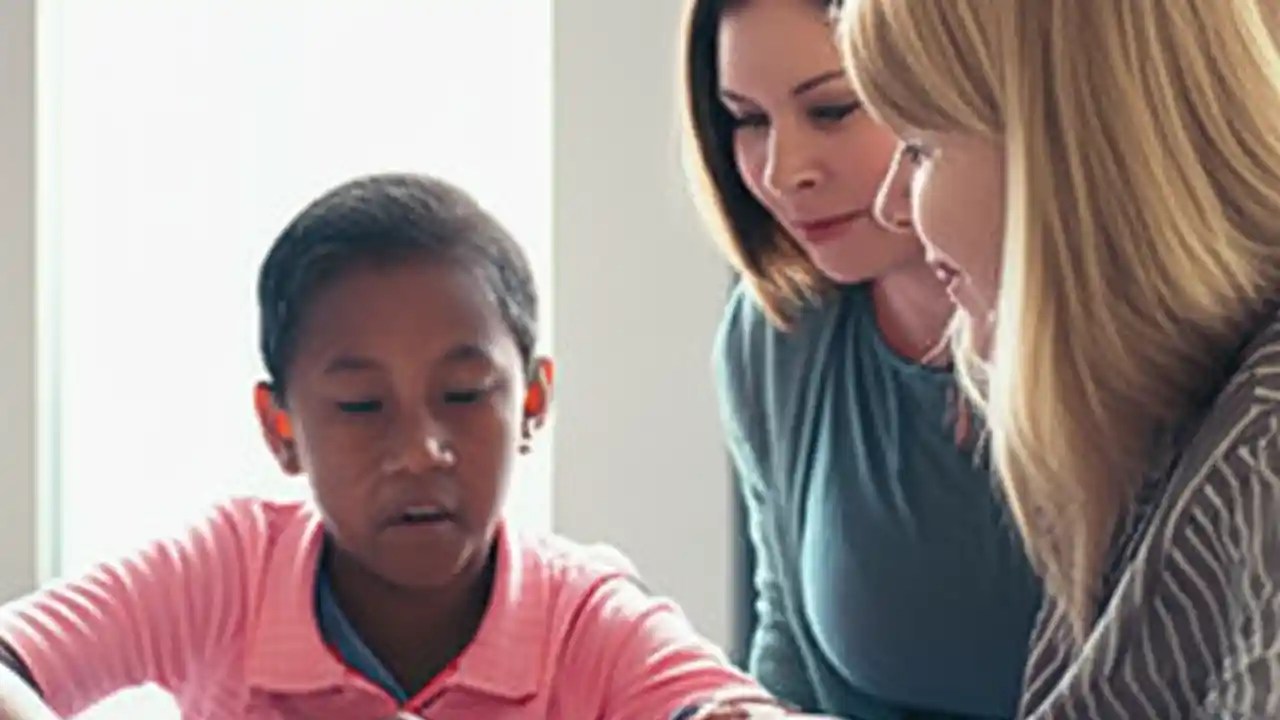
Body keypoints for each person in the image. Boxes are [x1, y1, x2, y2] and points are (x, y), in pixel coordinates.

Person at [0, 173, 786, 719]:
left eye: (463, 395)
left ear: (533, 402)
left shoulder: (583, 620)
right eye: (361, 405)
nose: (419, 450)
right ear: (282, 430)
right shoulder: (228, 573)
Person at [842, 0, 1280, 716]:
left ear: (1067, 146)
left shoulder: (1263, 453)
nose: (892, 203)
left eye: (920, 146)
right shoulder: (1179, 418)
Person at [680, 1, 1041, 718]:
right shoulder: (779, 337)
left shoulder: (1133, 341)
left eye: (834, 110)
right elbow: (788, 647)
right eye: (748, 120)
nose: (784, 172)